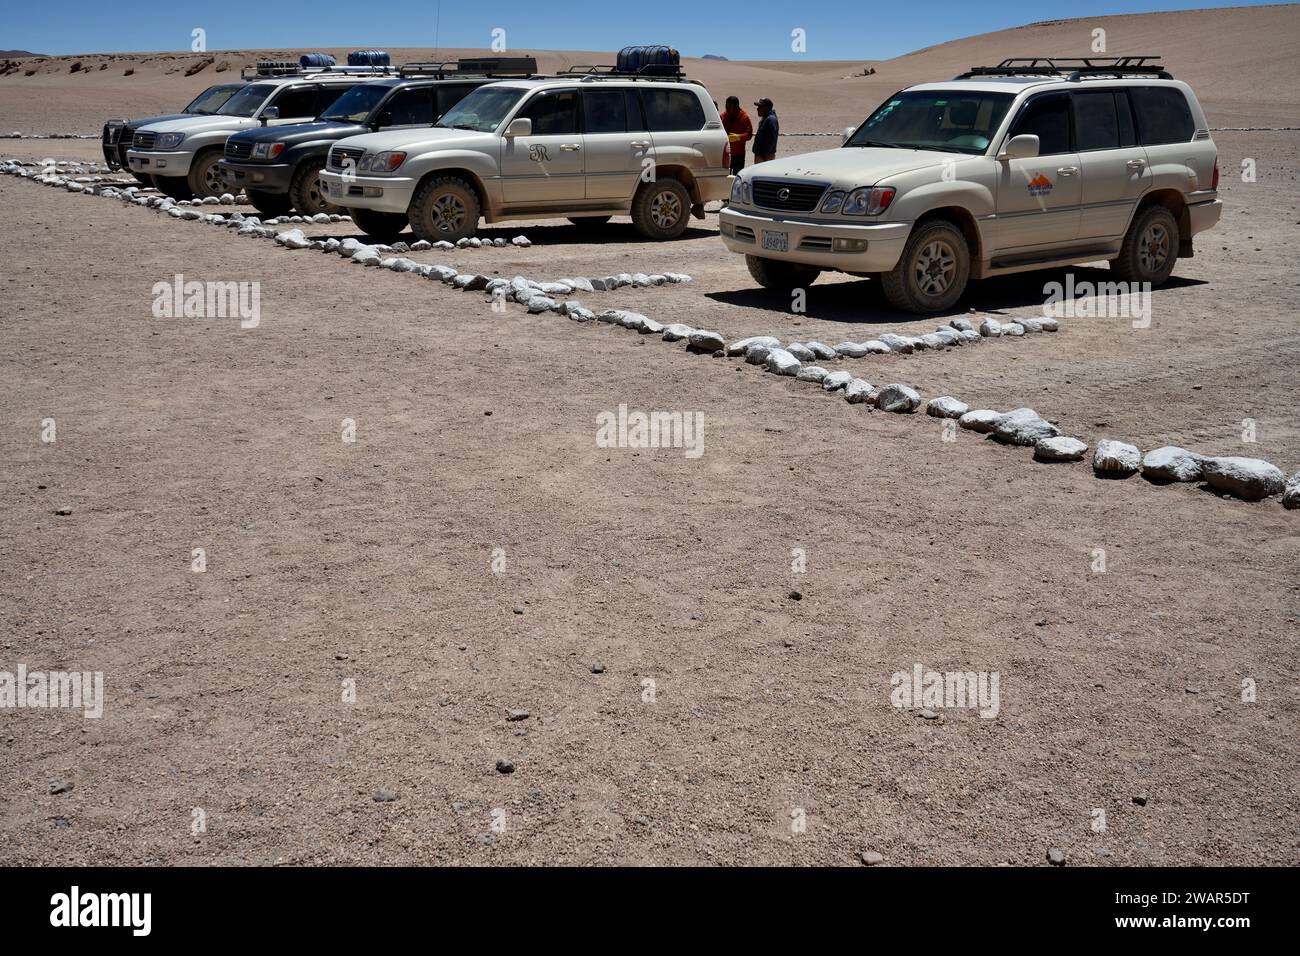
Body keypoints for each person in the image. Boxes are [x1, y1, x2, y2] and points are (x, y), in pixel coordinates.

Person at [720, 95, 753, 175]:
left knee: (737, 176)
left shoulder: (744, 117)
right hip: (725, 153)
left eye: (729, 107)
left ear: (736, 107)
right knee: (725, 176)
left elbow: (749, 134)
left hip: (739, 154)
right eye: (726, 106)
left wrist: (738, 137)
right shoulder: (722, 117)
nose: (727, 109)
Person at [752, 97, 779, 164]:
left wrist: (764, 155)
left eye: (760, 107)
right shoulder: (766, 118)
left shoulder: (771, 119)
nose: (757, 109)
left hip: (765, 157)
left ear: (766, 108)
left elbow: (772, 139)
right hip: (762, 156)